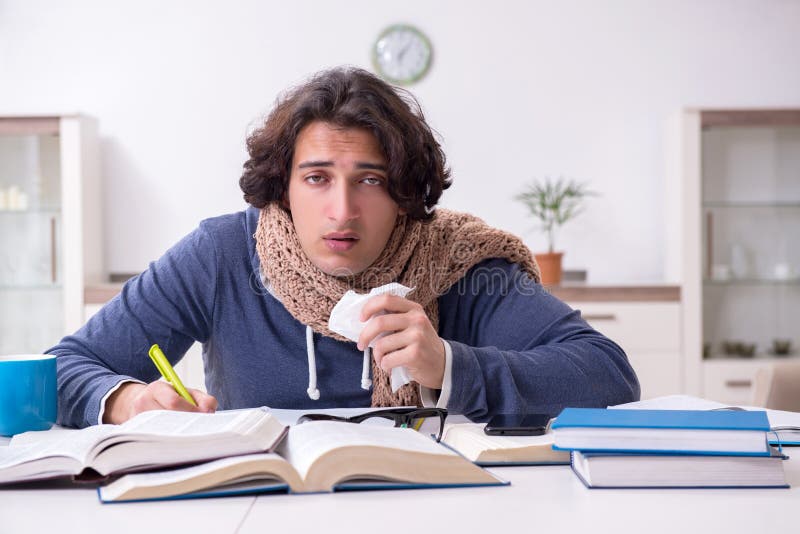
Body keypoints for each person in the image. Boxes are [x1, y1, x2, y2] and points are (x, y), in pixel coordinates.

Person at [50, 67, 640, 428]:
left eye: (370, 180)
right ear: (281, 187)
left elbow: (607, 376)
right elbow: (65, 368)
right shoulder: (221, 255)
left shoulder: (459, 261)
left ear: (405, 192)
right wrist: (126, 400)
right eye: (316, 178)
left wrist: (448, 365)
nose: (342, 210)